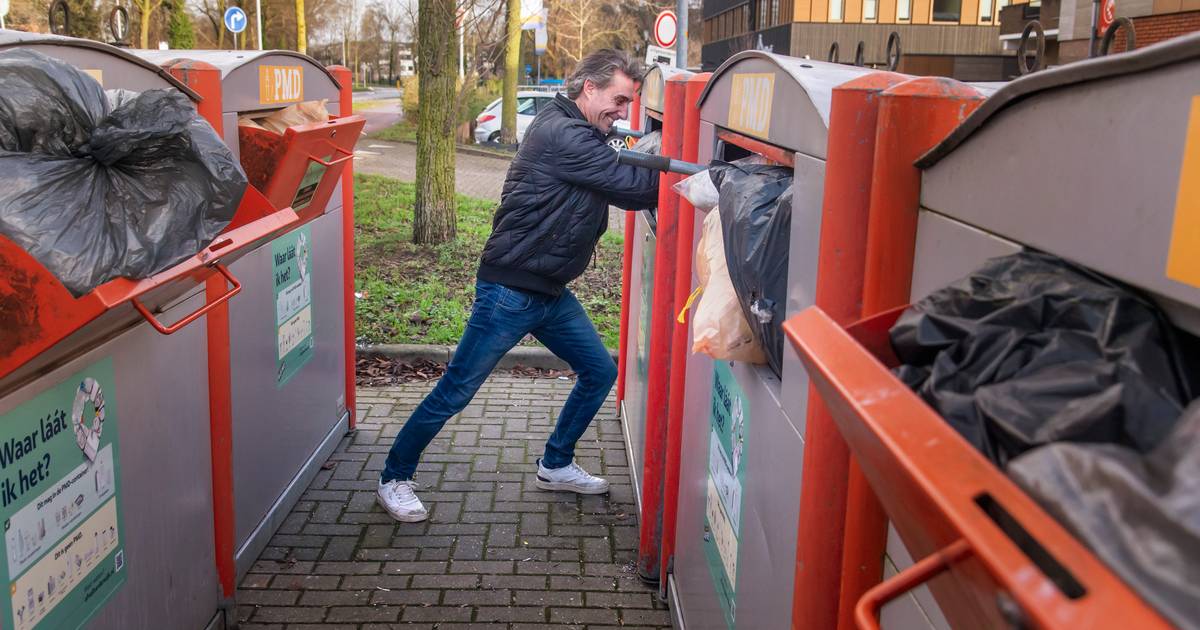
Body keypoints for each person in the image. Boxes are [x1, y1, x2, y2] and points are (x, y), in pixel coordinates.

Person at [377, 49, 660, 522]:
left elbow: (619, 184)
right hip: (510, 290)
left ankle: (556, 464)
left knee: (598, 371)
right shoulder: (563, 133)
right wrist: (698, 171)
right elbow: (632, 186)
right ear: (588, 88)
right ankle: (393, 477)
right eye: (619, 99)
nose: (623, 111)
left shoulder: (580, 131)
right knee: (456, 390)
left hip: (547, 290)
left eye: (629, 103)